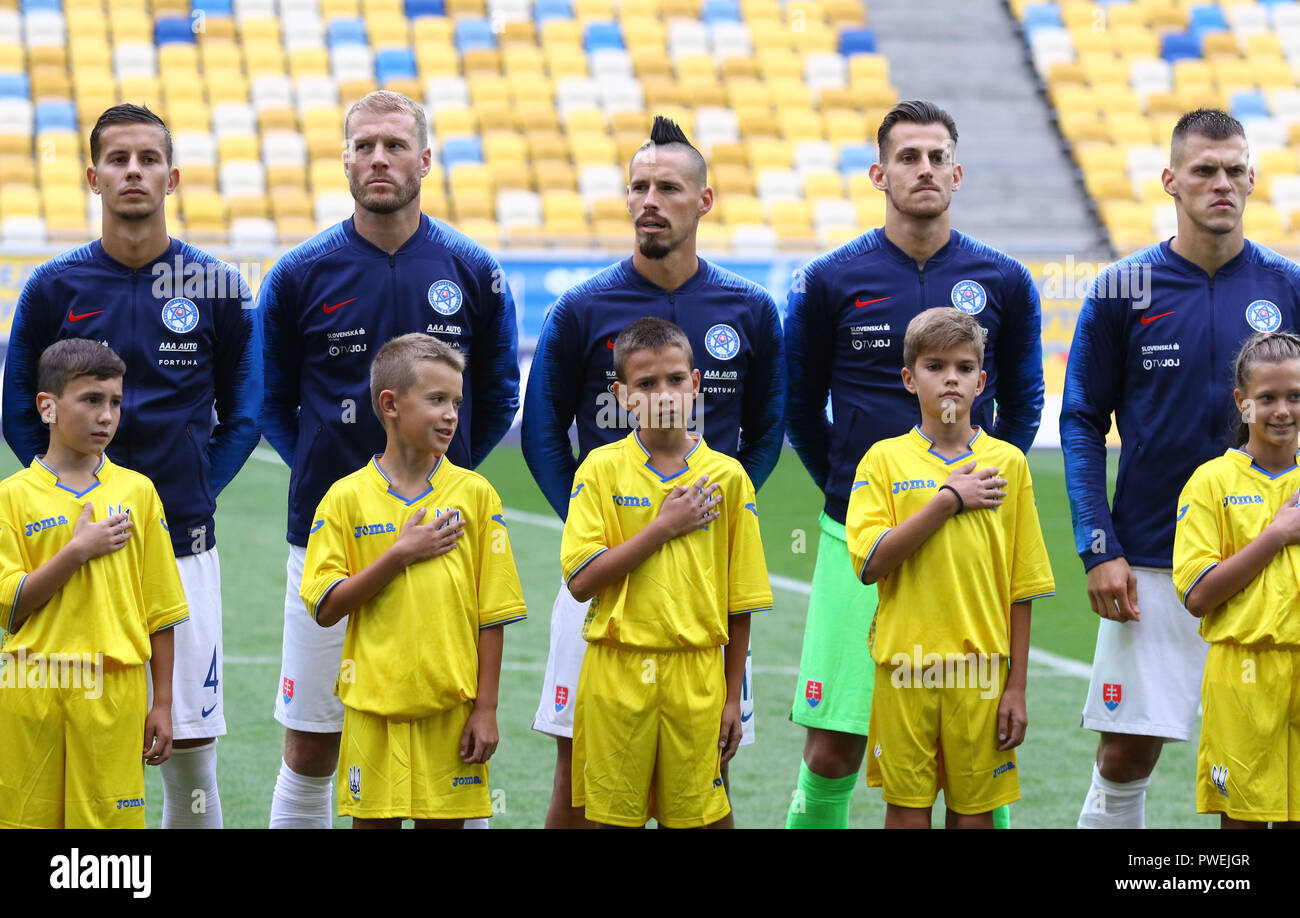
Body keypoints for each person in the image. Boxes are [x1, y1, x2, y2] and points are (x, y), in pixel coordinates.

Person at [261, 90, 519, 828]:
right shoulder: (299, 272)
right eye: (365, 146)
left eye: (396, 146)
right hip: (329, 535)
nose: (379, 158)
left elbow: (497, 394)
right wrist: (336, 474)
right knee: (313, 744)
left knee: (454, 738)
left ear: (425, 160)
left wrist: (452, 470)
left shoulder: (472, 268)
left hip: (447, 543)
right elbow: (273, 402)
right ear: (344, 159)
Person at [783, 100, 1043, 829]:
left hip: (972, 541)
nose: (923, 169)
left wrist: (994, 478)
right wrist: (849, 482)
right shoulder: (831, 280)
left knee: (976, 736)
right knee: (833, 745)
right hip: (855, 537)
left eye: (936, 157)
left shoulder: (1005, 279)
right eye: (908, 157)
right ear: (880, 173)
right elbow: (799, 409)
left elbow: (1024, 398)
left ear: (956, 173)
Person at [2, 104, 260, 829]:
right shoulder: (53, 287)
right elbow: (20, 408)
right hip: (70, 546)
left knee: (188, 751)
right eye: (118, 159)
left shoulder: (217, 287)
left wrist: (193, 487)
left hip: (178, 543)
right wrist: (65, 490)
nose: (134, 171)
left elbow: (246, 410)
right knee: (69, 730)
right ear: (92, 176)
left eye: (149, 158)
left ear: (172, 177)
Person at [523, 115, 785, 828]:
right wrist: (603, 515)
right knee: (577, 783)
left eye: (668, 187)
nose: (649, 199)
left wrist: (718, 511)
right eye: (638, 186)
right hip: (603, 579)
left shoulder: (750, 309)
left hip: (701, 580)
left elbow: (767, 430)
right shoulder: (581, 307)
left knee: (705, 778)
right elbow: (543, 434)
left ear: (702, 201)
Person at [1064, 109, 1300, 829]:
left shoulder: (1289, 284)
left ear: (1253, 179)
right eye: (1204, 170)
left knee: (1275, 761)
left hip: (1276, 562)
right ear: (1171, 180)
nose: (1220, 183)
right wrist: (1098, 545)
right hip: (1153, 564)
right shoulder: (1119, 289)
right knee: (1126, 756)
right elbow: (1080, 420)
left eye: (1234, 170)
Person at [298, 334, 525, 828]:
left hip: (451, 711)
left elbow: (495, 615)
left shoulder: (476, 495)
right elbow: (325, 606)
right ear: (390, 404)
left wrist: (485, 709)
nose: (450, 415)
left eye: (457, 402)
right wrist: (397, 556)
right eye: (436, 399)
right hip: (373, 710)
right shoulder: (345, 498)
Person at [846, 308, 1053, 827]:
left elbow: (1021, 586)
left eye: (964, 367)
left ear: (982, 382)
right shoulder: (882, 461)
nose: (951, 378)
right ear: (909, 379)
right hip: (905, 669)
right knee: (907, 813)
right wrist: (946, 501)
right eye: (935, 366)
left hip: (981, 672)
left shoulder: (1008, 463)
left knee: (975, 817)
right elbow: (871, 563)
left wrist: (1017, 687)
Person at [561, 317, 771, 828]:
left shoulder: (728, 477)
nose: (665, 394)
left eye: (676, 379)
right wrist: (662, 528)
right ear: (623, 395)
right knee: (611, 818)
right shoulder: (599, 469)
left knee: (703, 818)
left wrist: (731, 697)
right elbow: (581, 580)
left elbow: (740, 601)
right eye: (647, 384)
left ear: (696, 384)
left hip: (698, 676)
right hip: (619, 671)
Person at [0, 339, 188, 827]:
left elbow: (161, 609)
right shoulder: (12, 498)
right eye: (91, 400)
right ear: (48, 406)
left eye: (115, 402)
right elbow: (12, 605)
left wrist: (162, 703)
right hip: (33, 682)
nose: (106, 415)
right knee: (26, 820)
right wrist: (77, 552)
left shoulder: (138, 492)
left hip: (114, 687)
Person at [1173, 331, 1300, 828]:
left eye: (1295, 396)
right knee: (1243, 820)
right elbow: (1199, 595)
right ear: (1242, 402)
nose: (1282, 410)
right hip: (1243, 672)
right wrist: (1275, 536)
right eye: (1267, 398)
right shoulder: (1212, 482)